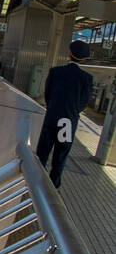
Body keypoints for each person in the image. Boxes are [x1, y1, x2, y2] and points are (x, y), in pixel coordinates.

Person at [35, 40, 94, 188]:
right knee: (60, 157)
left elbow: (47, 94)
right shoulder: (86, 78)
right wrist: (72, 111)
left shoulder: (55, 71)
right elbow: (83, 102)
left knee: (42, 154)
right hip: (67, 123)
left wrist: (54, 108)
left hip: (51, 119)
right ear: (84, 59)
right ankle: (53, 187)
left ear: (69, 54)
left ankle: (35, 183)